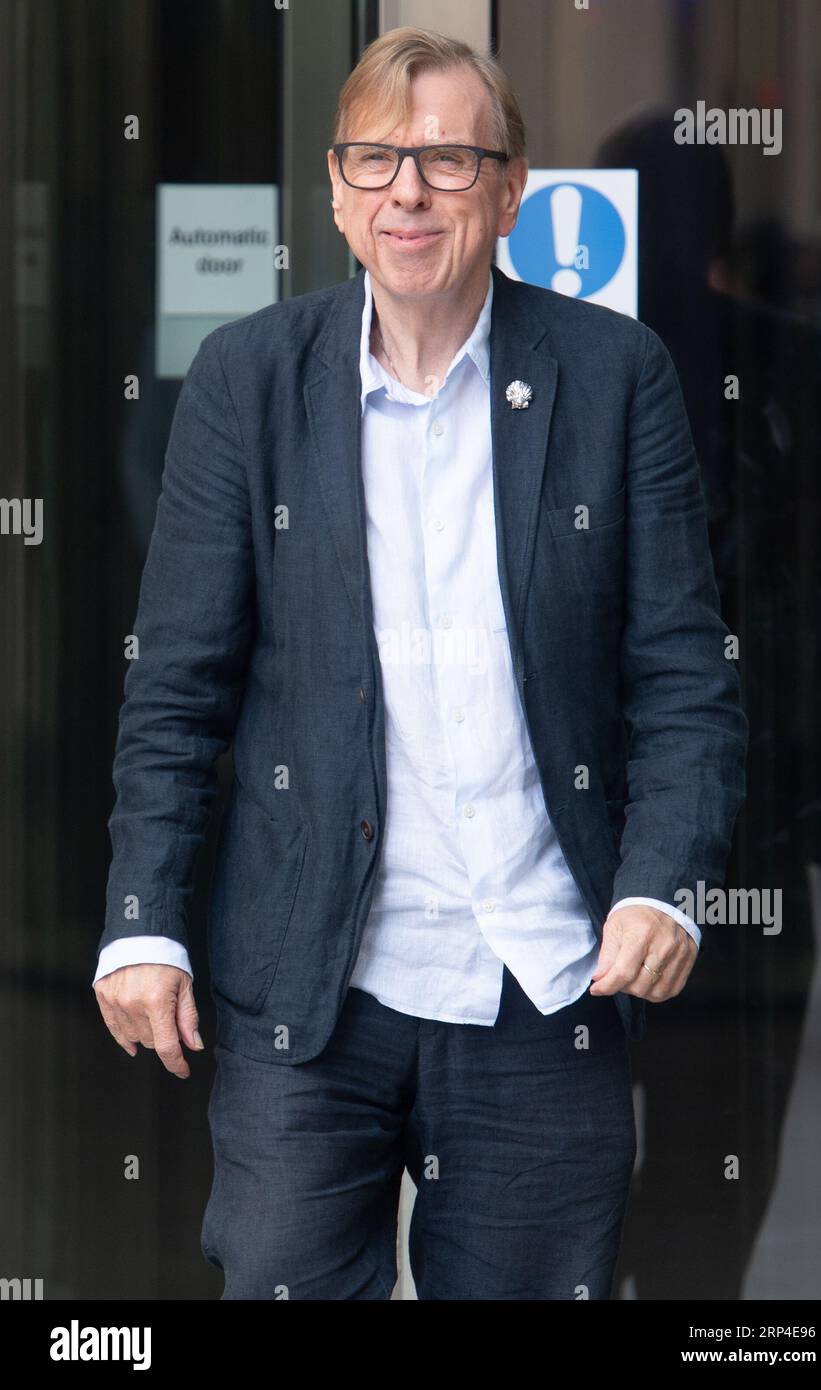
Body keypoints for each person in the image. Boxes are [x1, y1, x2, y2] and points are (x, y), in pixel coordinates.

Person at [93, 26, 748, 1300]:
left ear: (509, 193)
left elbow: (682, 675)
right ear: (335, 193)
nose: (409, 190)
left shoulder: (614, 379)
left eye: (448, 159)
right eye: (378, 158)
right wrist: (142, 920)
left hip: (541, 974)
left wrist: (662, 885)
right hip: (308, 979)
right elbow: (176, 688)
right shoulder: (246, 381)